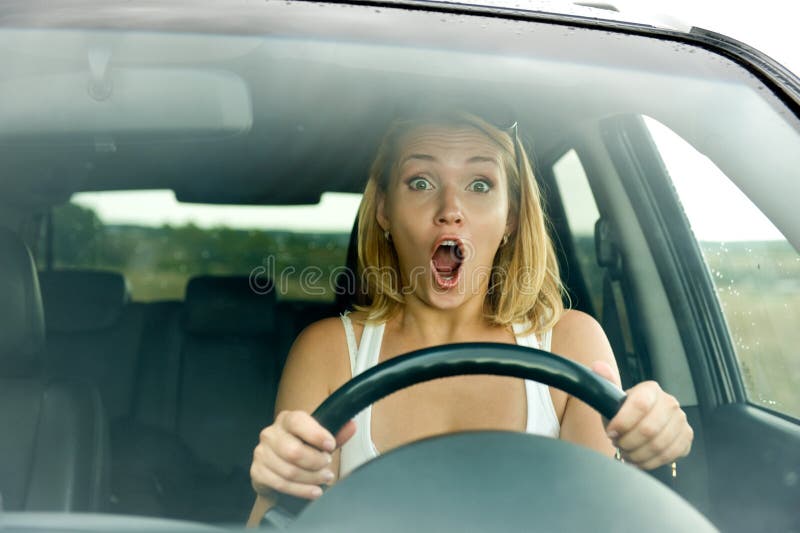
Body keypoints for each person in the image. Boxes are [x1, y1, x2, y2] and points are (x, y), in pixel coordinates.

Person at [247, 111, 693, 525]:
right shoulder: (328, 352)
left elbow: (599, 521)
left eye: (480, 184)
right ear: (384, 209)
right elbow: (280, 522)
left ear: (512, 216)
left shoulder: (570, 343)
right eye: (420, 182)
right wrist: (274, 489)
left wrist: (652, 455)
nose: (450, 208)